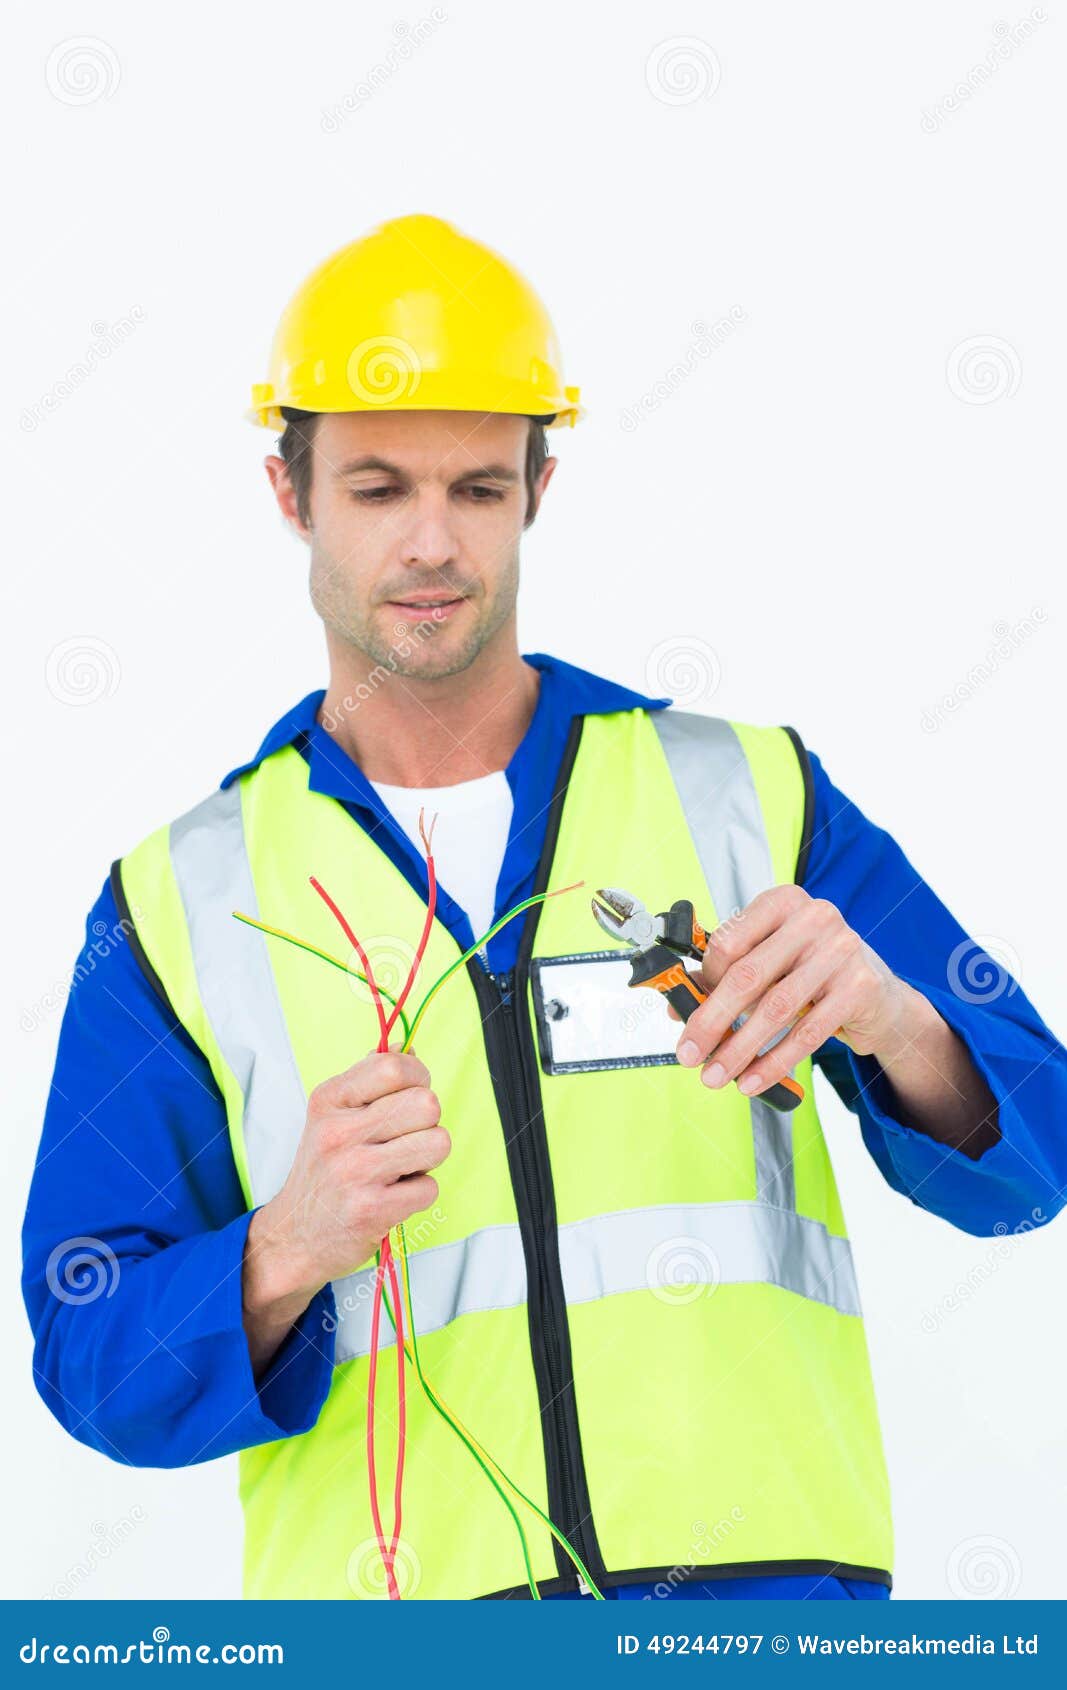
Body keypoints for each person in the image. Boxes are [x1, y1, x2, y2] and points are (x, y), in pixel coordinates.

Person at [23, 214, 1067, 1603]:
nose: (435, 543)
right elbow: (89, 1357)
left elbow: (1035, 1153)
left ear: (540, 487)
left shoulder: (751, 794)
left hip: (759, 1624)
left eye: (478, 487)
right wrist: (284, 1247)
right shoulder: (177, 899)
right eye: (380, 488)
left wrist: (892, 1021)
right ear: (293, 494)